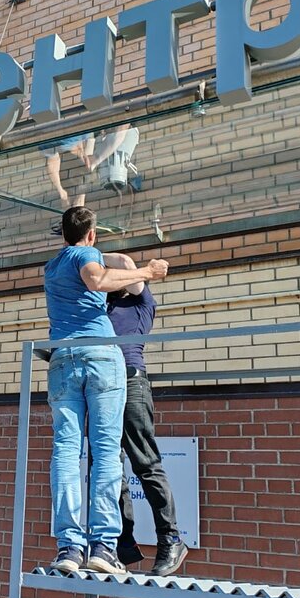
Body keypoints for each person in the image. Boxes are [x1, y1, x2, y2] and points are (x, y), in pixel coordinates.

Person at [44, 206, 168, 575]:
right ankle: (103, 546)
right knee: (106, 451)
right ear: (92, 235)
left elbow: (97, 261)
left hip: (63, 358)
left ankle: (68, 548)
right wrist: (148, 271)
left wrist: (99, 249)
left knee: (66, 451)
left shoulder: (53, 266)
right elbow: (97, 278)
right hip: (100, 357)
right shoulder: (87, 257)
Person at [103, 253, 188, 576]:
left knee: (145, 464)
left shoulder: (140, 304)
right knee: (109, 468)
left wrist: (91, 252)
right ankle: (122, 543)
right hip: (103, 387)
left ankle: (171, 539)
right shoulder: (102, 308)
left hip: (131, 382)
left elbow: (125, 263)